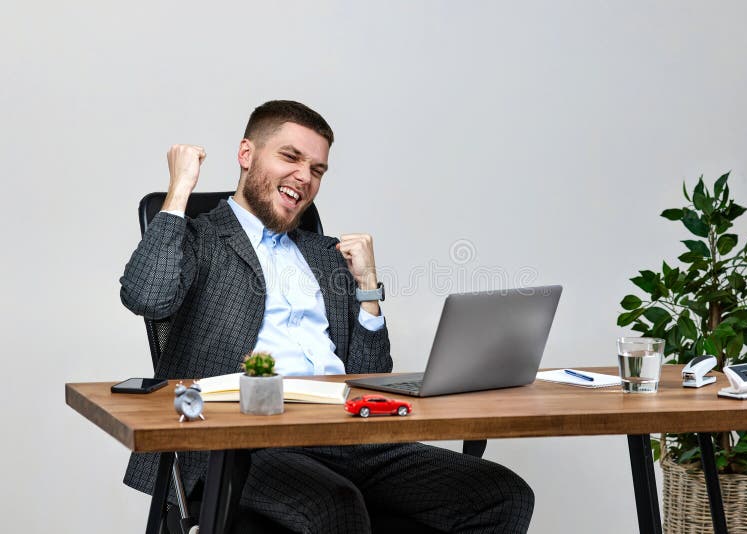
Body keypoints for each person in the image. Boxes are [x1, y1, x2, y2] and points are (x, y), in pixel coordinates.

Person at [120, 100, 534, 533]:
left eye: (317, 170)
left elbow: (370, 375)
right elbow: (147, 296)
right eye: (291, 157)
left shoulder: (326, 254)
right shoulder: (198, 237)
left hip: (349, 434)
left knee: (502, 495)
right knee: (336, 508)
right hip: (247, 444)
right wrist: (180, 190)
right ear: (246, 155)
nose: (304, 177)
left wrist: (368, 289)